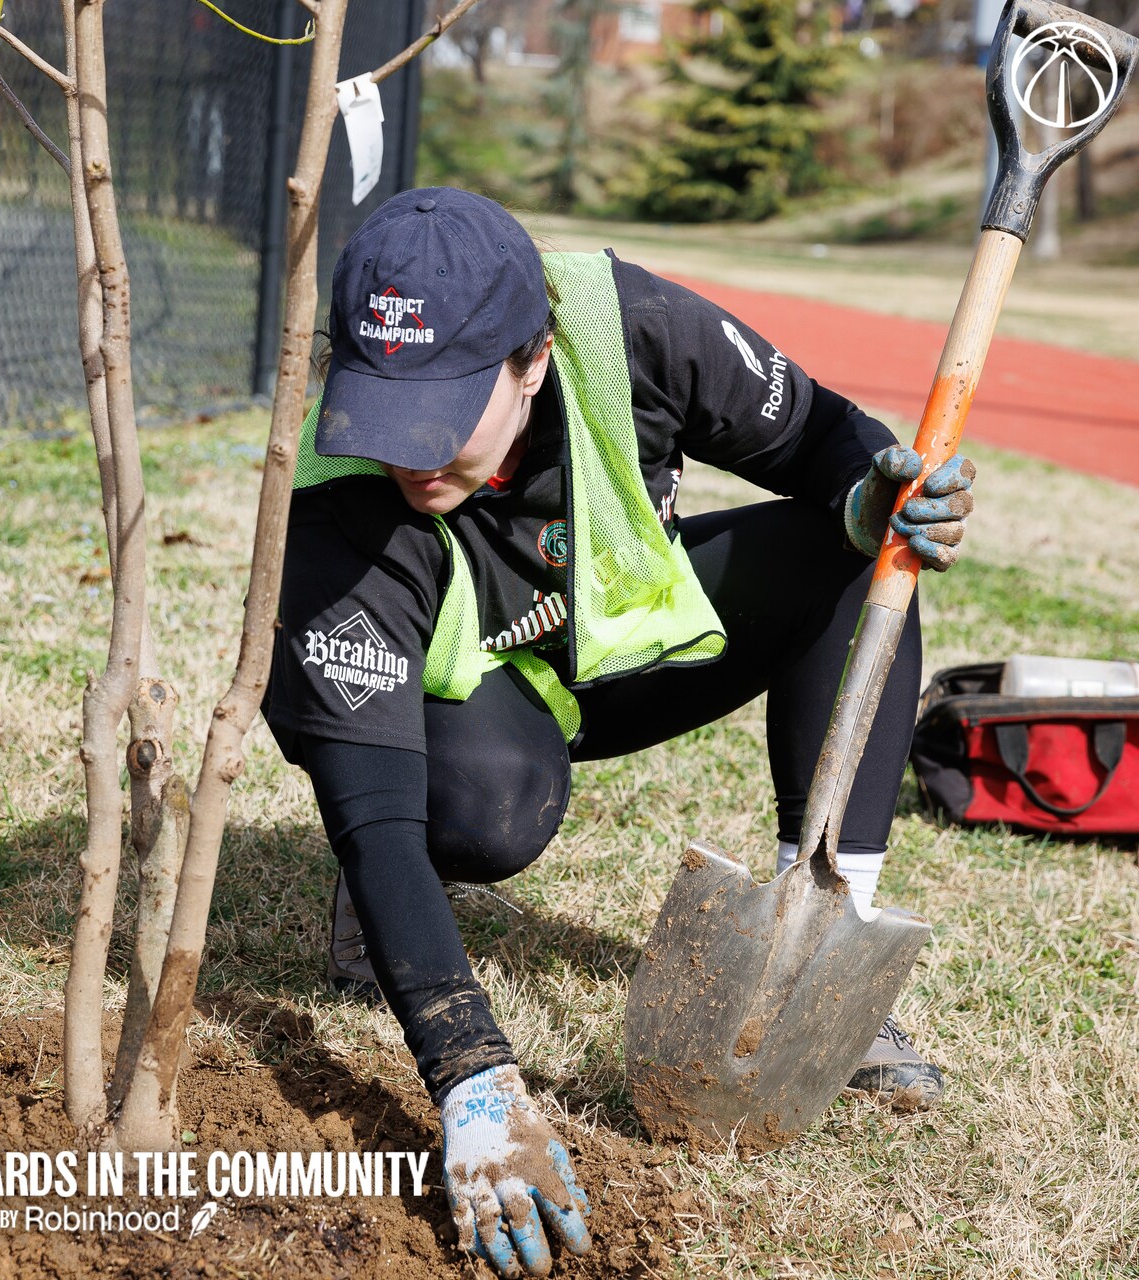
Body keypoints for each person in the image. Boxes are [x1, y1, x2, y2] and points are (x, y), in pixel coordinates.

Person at [262, 187, 974, 1278]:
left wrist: (878, 489)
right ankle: (380, 919)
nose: (408, 456)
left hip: (616, 653)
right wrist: (473, 1077)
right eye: (380, 408)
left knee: (859, 550)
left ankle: (818, 951)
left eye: (443, 413)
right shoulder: (336, 503)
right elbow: (373, 819)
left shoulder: (628, 326)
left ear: (530, 360)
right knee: (479, 812)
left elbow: (829, 435)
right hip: (476, 716)